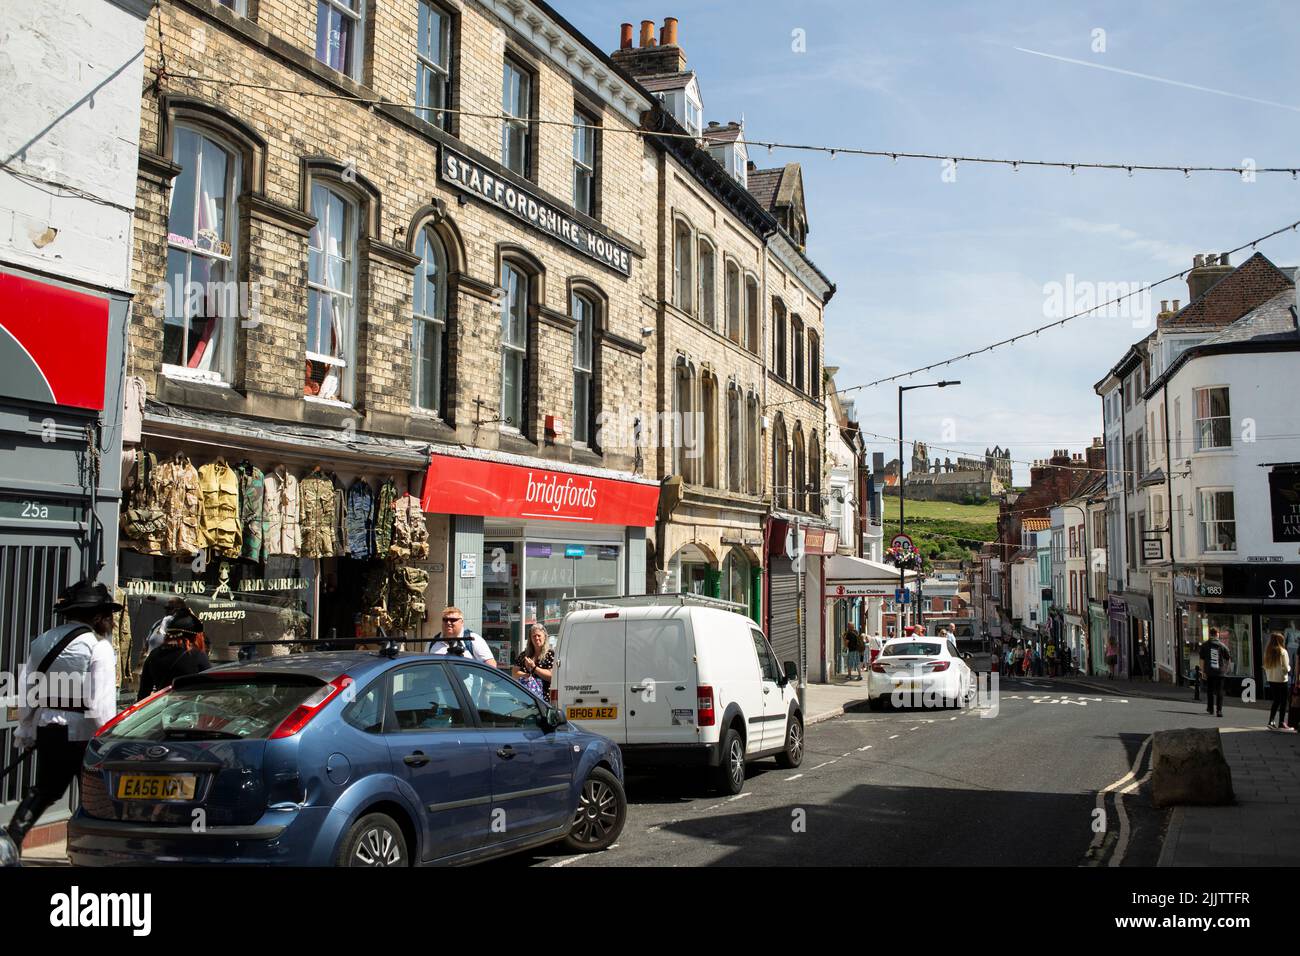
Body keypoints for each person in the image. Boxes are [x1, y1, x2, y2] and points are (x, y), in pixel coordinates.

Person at [5, 580, 120, 849]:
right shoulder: (98, 647)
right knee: (95, 797)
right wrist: (110, 738)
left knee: (45, 790)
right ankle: (90, 849)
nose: (110, 622)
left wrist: (27, 726)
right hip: (85, 734)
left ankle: (10, 843)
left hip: (49, 728)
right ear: (98, 616)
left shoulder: (42, 641)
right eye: (108, 616)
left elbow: (28, 690)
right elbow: (100, 704)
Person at [137, 610, 211, 700]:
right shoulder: (196, 655)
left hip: (163, 709)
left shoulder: (154, 655)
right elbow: (211, 688)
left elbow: (143, 694)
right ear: (193, 636)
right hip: (189, 710)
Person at [429, 606, 497, 666]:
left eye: (453, 620)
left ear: (462, 622)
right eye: (445, 620)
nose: (448, 623)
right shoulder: (432, 642)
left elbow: (491, 664)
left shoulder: (472, 640)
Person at [1199, 626, 1233, 718]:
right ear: (1217, 634)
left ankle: (1210, 708)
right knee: (1219, 691)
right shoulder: (1222, 646)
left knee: (1210, 690)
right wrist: (1227, 669)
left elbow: (1202, 660)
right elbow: (1228, 658)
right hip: (1220, 672)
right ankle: (1219, 710)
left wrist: (1202, 671)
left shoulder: (1205, 645)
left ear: (1210, 634)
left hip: (1209, 671)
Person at [513, 624, 555, 698]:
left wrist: (534, 668)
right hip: (526, 699)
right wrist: (528, 676)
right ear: (530, 639)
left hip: (544, 700)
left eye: (539, 635)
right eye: (534, 636)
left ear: (544, 636)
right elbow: (514, 673)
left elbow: (552, 676)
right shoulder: (524, 655)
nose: (536, 638)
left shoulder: (551, 654)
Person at [1264, 632, 1291, 730]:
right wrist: (1289, 668)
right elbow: (1285, 668)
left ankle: (1271, 720)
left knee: (1276, 700)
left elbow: (1266, 666)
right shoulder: (1283, 651)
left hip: (1271, 679)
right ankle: (1281, 722)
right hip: (1281, 679)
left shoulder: (1268, 651)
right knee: (1283, 701)